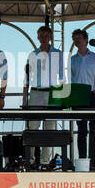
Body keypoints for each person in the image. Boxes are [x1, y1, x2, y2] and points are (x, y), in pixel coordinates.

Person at [23, 25, 65, 169]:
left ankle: (45, 162)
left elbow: (62, 77)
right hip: (36, 92)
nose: (44, 38)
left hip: (52, 93)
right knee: (33, 127)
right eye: (41, 35)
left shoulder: (58, 54)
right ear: (38, 37)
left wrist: (60, 97)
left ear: (51, 36)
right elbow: (26, 78)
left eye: (47, 35)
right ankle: (31, 161)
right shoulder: (32, 54)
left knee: (50, 129)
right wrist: (24, 99)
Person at [68, 28, 95, 166]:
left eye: (79, 38)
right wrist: (71, 100)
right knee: (82, 130)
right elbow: (70, 81)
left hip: (94, 94)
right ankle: (83, 161)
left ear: (85, 40)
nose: (76, 41)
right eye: (74, 38)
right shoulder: (72, 60)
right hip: (79, 96)